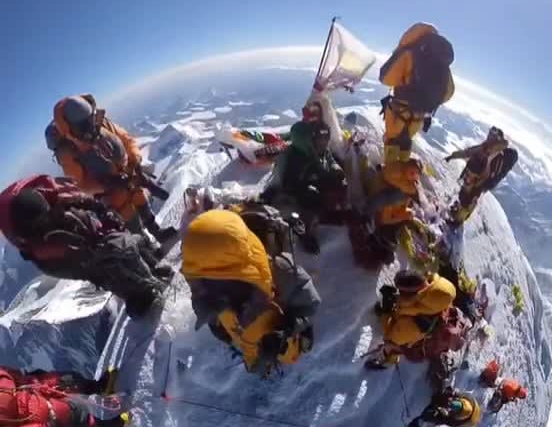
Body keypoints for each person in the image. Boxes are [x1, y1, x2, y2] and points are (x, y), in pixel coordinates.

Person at [0, 176, 170, 318]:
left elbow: (80, 199)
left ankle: (149, 268)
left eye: (49, 213)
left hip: (81, 228)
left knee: (121, 243)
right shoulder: (42, 248)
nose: (49, 218)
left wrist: (99, 208)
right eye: (43, 220)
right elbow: (84, 265)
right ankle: (139, 293)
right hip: (70, 256)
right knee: (103, 269)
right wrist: (95, 254)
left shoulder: (54, 198)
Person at [181, 209, 317, 373]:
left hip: (287, 350)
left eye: (219, 282)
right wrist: (219, 327)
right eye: (206, 282)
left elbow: (310, 306)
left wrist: (286, 328)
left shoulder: (281, 272)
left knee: (291, 356)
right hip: (255, 351)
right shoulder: (214, 298)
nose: (214, 290)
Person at [45, 94, 177, 249]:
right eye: (84, 125)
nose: (91, 126)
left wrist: (135, 160)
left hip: (129, 173)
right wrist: (107, 183)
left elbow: (126, 139)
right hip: (111, 191)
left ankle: (157, 232)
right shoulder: (67, 152)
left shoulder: (102, 123)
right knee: (129, 218)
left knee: (140, 199)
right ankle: (147, 248)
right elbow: (79, 184)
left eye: (90, 120)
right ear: (69, 129)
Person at [379, 23, 455, 190]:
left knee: (392, 146)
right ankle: (406, 181)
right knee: (406, 143)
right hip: (418, 118)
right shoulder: (442, 65)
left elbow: (385, 78)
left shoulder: (409, 53)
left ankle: (393, 186)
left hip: (399, 113)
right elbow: (448, 93)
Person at [0, 365, 129, 427]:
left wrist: (25, 378)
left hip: (29, 386)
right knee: (75, 415)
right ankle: (116, 424)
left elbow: (5, 374)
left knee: (69, 381)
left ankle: (101, 387)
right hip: (33, 414)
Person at [262, 120, 347, 253]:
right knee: (312, 196)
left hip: (311, 181)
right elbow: (290, 183)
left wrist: (335, 169)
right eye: (319, 138)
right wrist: (315, 178)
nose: (323, 142)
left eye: (325, 138)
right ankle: (307, 234)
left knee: (338, 185)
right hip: (292, 191)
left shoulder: (317, 150)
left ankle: (329, 213)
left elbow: (329, 159)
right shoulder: (294, 156)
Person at [366, 271, 456, 369]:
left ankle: (389, 359)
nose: (399, 294)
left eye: (401, 292)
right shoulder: (439, 289)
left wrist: (385, 313)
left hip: (416, 338)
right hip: (435, 315)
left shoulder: (411, 327)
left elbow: (390, 336)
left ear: (412, 295)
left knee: (391, 344)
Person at [446, 127, 519, 225]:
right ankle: (458, 211)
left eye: (492, 136)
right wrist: (453, 156)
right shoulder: (485, 147)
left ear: (497, 139)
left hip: (479, 181)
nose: (489, 137)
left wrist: (479, 184)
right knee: (464, 195)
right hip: (472, 176)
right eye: (490, 134)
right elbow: (468, 152)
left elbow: (491, 173)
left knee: (469, 200)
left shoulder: (497, 155)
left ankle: (457, 222)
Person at [408, 389, 482, 427]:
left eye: (453, 411)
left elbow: (444, 419)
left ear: (457, 415)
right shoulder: (468, 397)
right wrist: (451, 394)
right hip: (475, 408)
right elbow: (456, 394)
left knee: (436, 417)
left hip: (471, 423)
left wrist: (439, 411)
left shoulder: (457, 422)